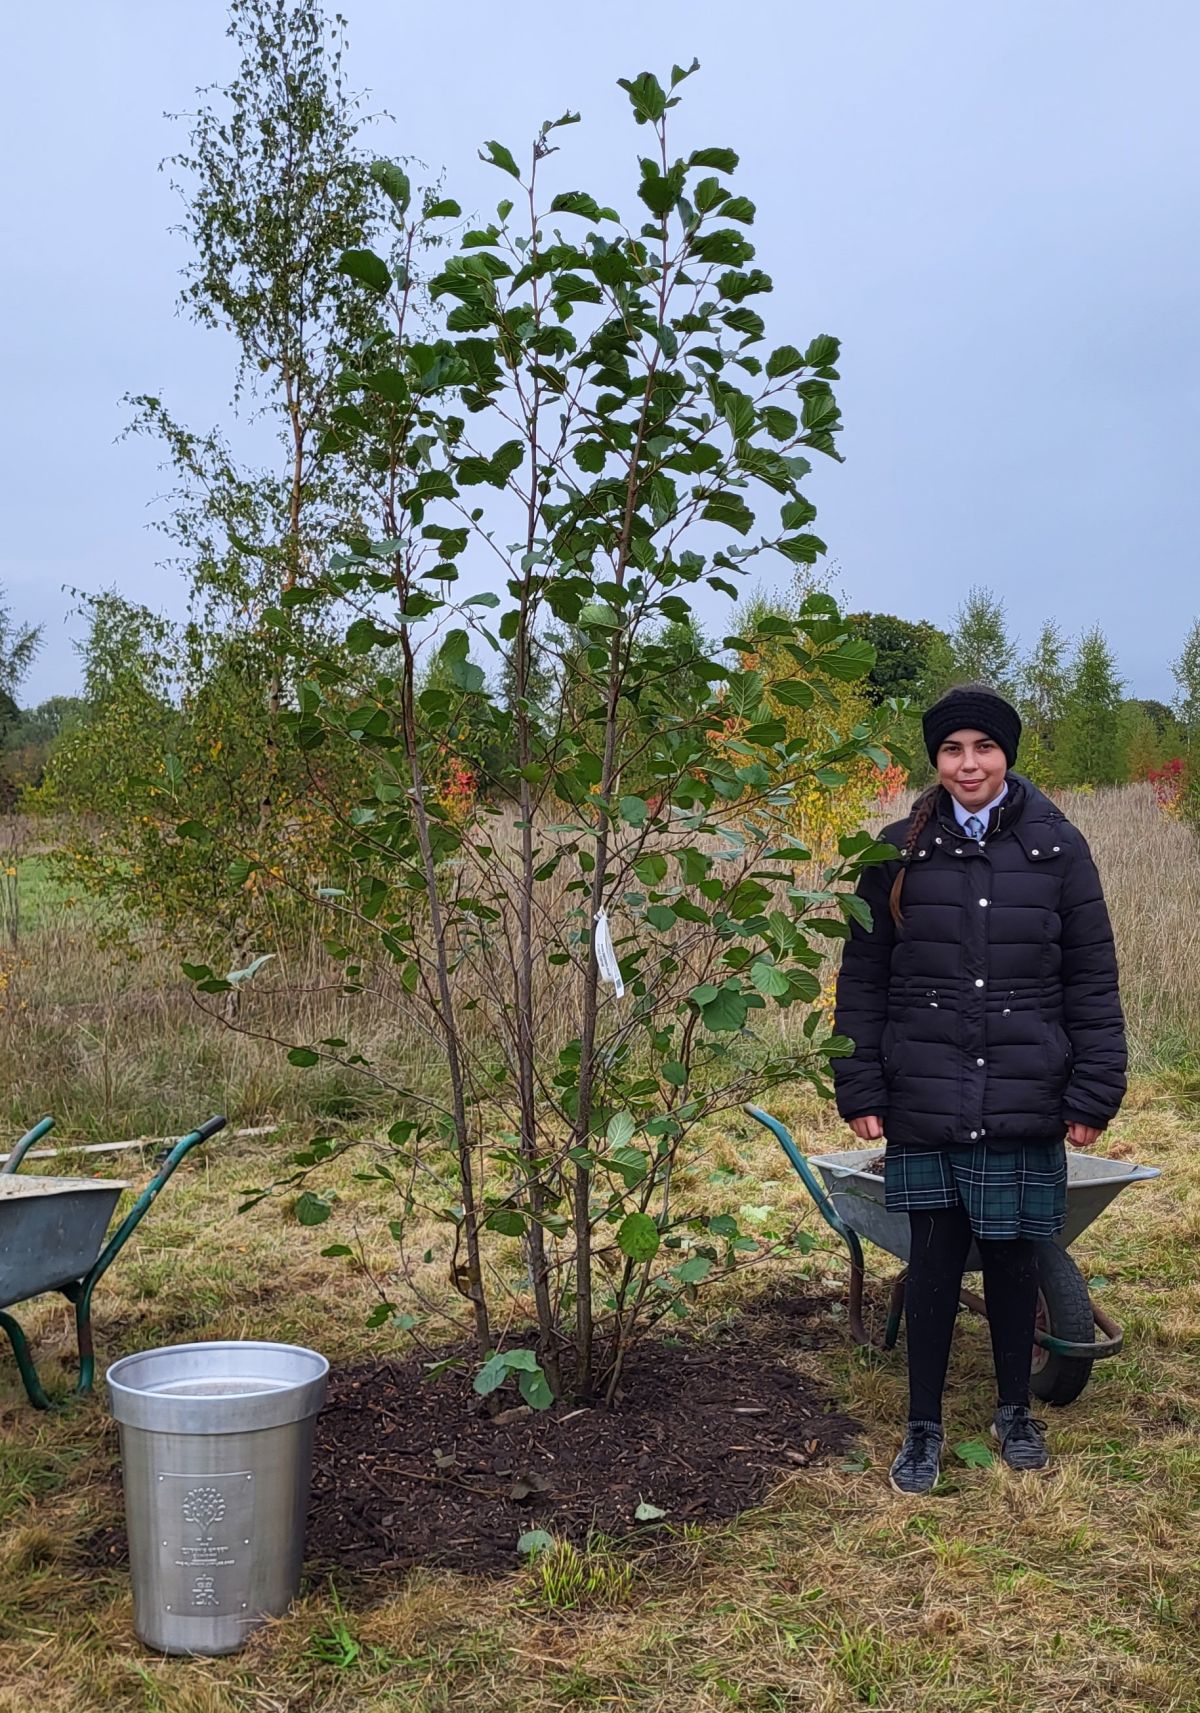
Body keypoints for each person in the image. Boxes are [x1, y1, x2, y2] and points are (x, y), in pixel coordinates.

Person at [832, 683, 1127, 1494]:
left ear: (1007, 755)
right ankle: (921, 1426)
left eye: (984, 748)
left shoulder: (1058, 849)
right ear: (936, 759)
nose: (970, 764)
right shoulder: (895, 851)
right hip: (924, 1085)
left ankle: (1013, 1412)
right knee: (929, 1262)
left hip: (1026, 1086)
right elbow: (862, 979)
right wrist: (859, 1080)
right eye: (954, 749)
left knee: (1011, 1258)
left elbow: (1092, 978)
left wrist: (1093, 1090)